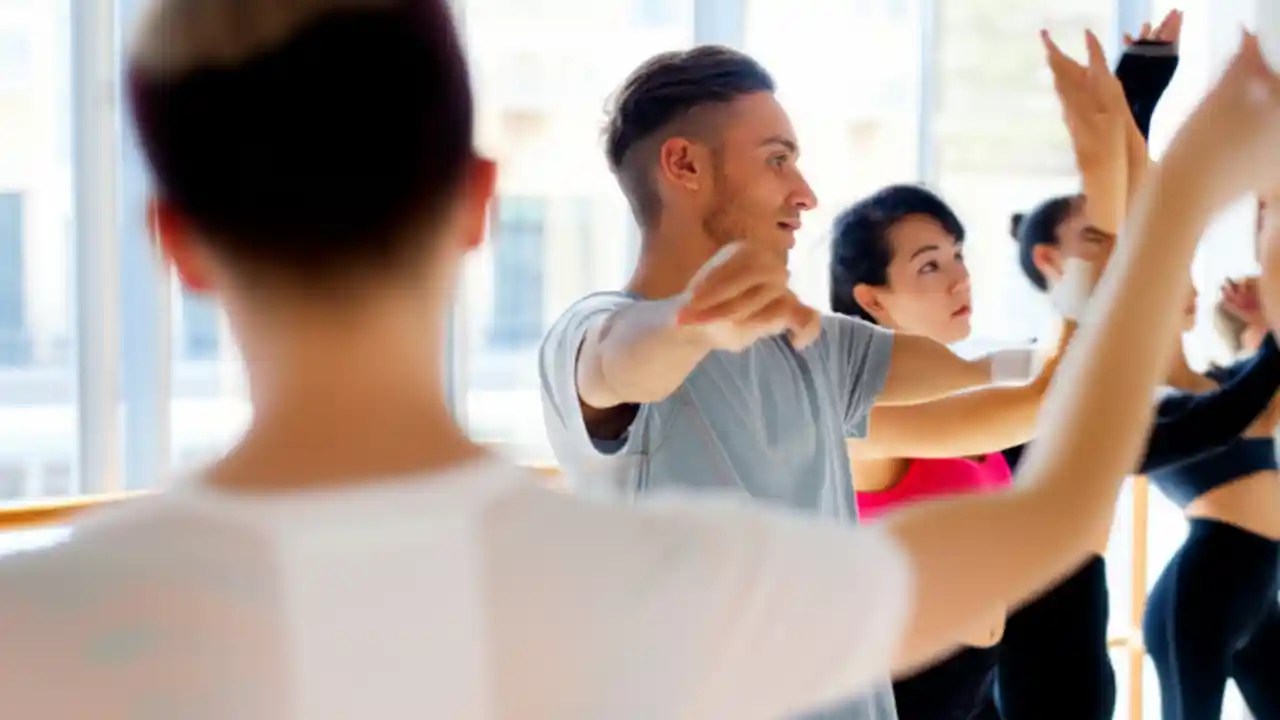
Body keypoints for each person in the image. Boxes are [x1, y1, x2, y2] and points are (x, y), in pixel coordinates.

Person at [0, 1, 1275, 718]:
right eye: (775, 157)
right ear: (474, 204)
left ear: (175, 244)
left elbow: (1046, 412)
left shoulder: (38, 629)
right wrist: (1174, 181)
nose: (800, 191)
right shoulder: (676, 597)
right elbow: (1055, 504)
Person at [540, 41, 1045, 720]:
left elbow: (1005, 384)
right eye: (777, 159)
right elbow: (618, 362)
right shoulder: (595, 333)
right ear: (684, 164)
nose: (804, 193)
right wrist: (698, 323)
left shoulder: (810, 343)